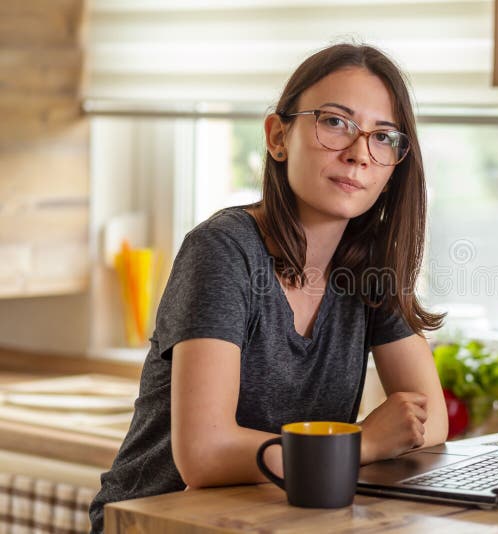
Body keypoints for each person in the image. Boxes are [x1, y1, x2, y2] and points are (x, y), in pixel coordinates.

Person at [89, 43, 449, 532]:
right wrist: (360, 444)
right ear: (278, 137)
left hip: (276, 520)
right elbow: (204, 453)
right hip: (163, 522)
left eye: (383, 137)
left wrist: (352, 448)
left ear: (393, 170)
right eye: (335, 122)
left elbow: (428, 423)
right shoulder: (222, 250)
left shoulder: (370, 269)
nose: (359, 154)